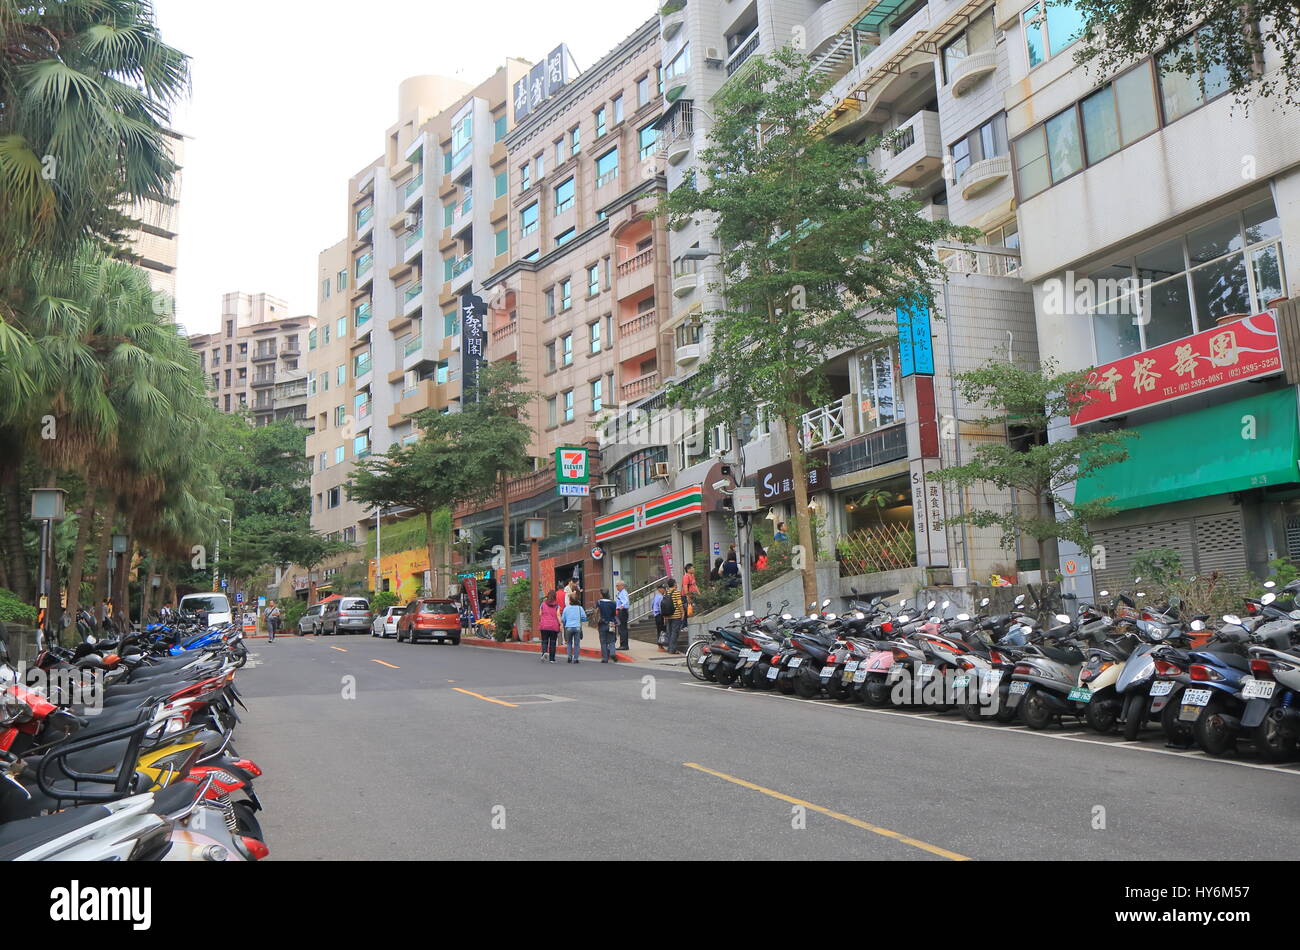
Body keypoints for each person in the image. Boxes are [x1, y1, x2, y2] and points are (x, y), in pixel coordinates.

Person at [561, 592, 586, 664]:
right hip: (577, 627)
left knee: (569, 643)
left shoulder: (566, 608)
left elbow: (563, 619)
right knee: (577, 643)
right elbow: (584, 618)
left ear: (570, 600)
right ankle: (576, 658)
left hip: (568, 627)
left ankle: (569, 657)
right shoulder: (580, 608)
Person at [663, 579, 686, 654]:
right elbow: (679, 603)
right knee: (675, 633)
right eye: (675, 583)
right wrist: (682, 612)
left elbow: (664, 604)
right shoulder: (676, 592)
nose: (676, 584)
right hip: (676, 615)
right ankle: (672, 650)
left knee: (670, 632)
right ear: (674, 584)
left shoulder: (666, 592)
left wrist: (664, 616)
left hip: (668, 615)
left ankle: (670, 648)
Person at [595, 589, 619, 663]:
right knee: (611, 639)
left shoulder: (599, 602)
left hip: (602, 623)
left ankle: (605, 658)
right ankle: (612, 653)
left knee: (603, 641)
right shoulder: (613, 603)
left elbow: (596, 613)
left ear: (602, 594)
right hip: (611, 623)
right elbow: (614, 614)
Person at [538, 589, 561, 663]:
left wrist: (541, 620)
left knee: (544, 641)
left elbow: (540, 614)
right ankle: (552, 659)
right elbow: (558, 615)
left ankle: (544, 652)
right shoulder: (557, 606)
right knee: (553, 642)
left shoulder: (543, 604)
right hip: (554, 626)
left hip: (544, 625)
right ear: (555, 597)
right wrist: (561, 624)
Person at [614, 580, 630, 651]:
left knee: (622, 628)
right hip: (621, 611)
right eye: (616, 585)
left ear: (622, 586)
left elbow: (626, 601)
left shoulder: (623, 592)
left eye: (618, 585)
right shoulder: (620, 592)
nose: (616, 587)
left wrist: (621, 606)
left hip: (622, 612)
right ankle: (624, 644)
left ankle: (624, 645)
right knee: (622, 628)